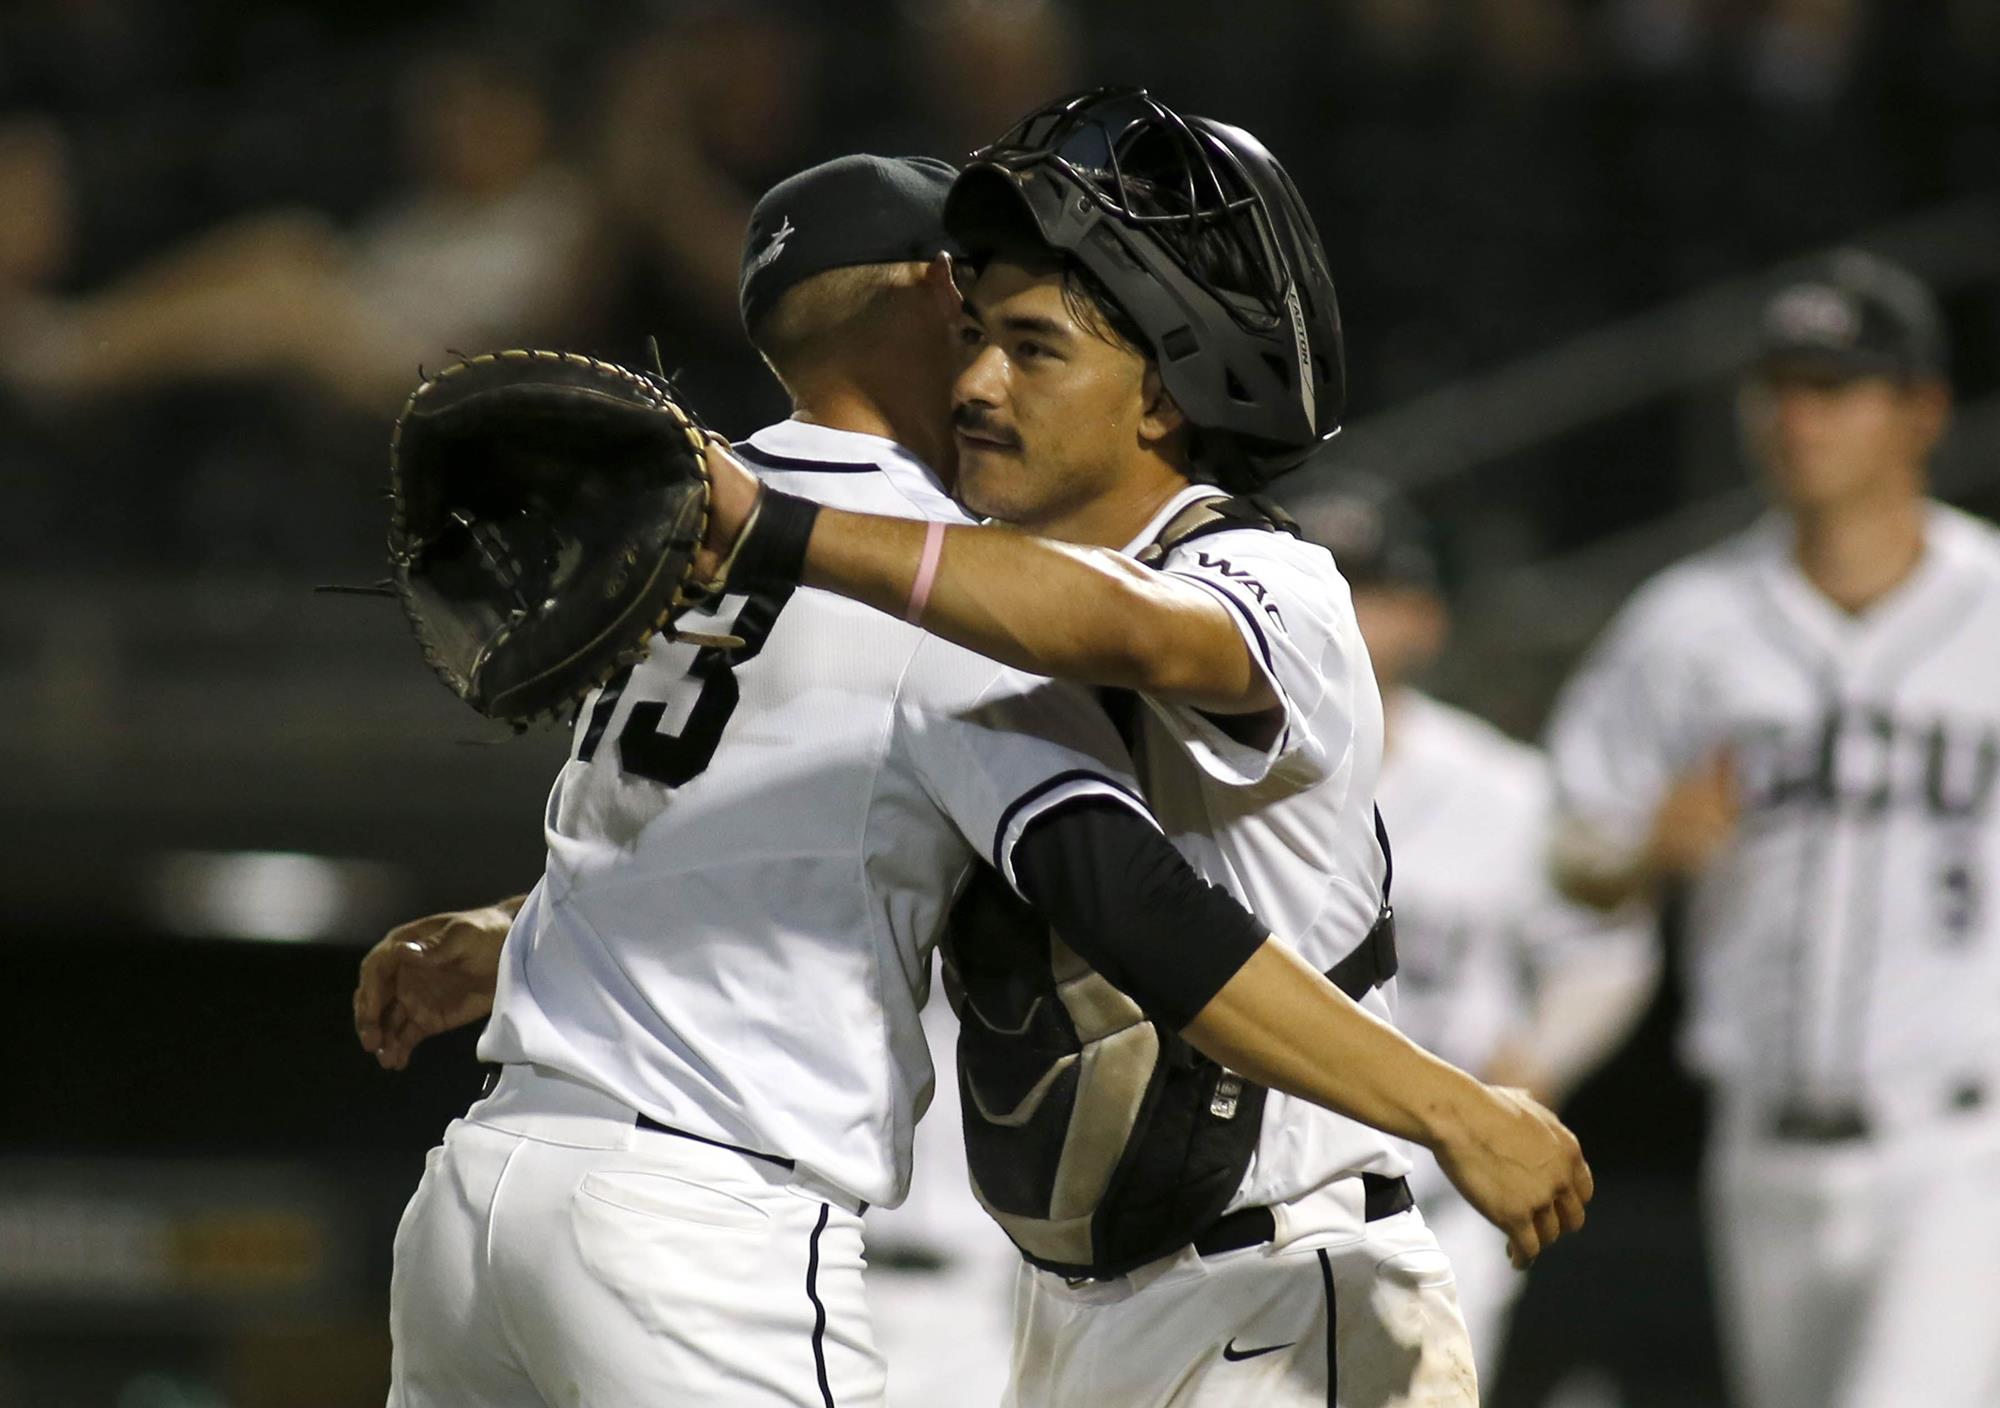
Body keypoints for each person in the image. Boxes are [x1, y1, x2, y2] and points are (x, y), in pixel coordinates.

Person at [361, 147, 1589, 1408]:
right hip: (770, 1239)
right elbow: (1101, 892)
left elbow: (1102, 744)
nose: (990, 373)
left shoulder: (739, 547)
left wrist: (523, 933)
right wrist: (526, 924)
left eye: (1032, 343)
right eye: (984, 324)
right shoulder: (921, 581)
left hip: (1262, 1270)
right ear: (936, 300)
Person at [1543, 249, 2000, 1408]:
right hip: (1756, 1152)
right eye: (1778, 386)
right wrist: (1644, 849)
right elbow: (1561, 855)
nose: (1798, 419)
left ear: (1920, 411)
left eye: (1835, 387)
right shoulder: (1688, 623)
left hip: (1957, 1147)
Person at [1293, 478, 1659, 1385]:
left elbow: (1610, 951)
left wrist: (1536, 1064)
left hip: (1429, 1215)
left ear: (1426, 618)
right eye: (1323, 583)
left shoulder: (1506, 792)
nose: (1344, 613)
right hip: (1252, 1215)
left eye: (1370, 589)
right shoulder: (1212, 775)